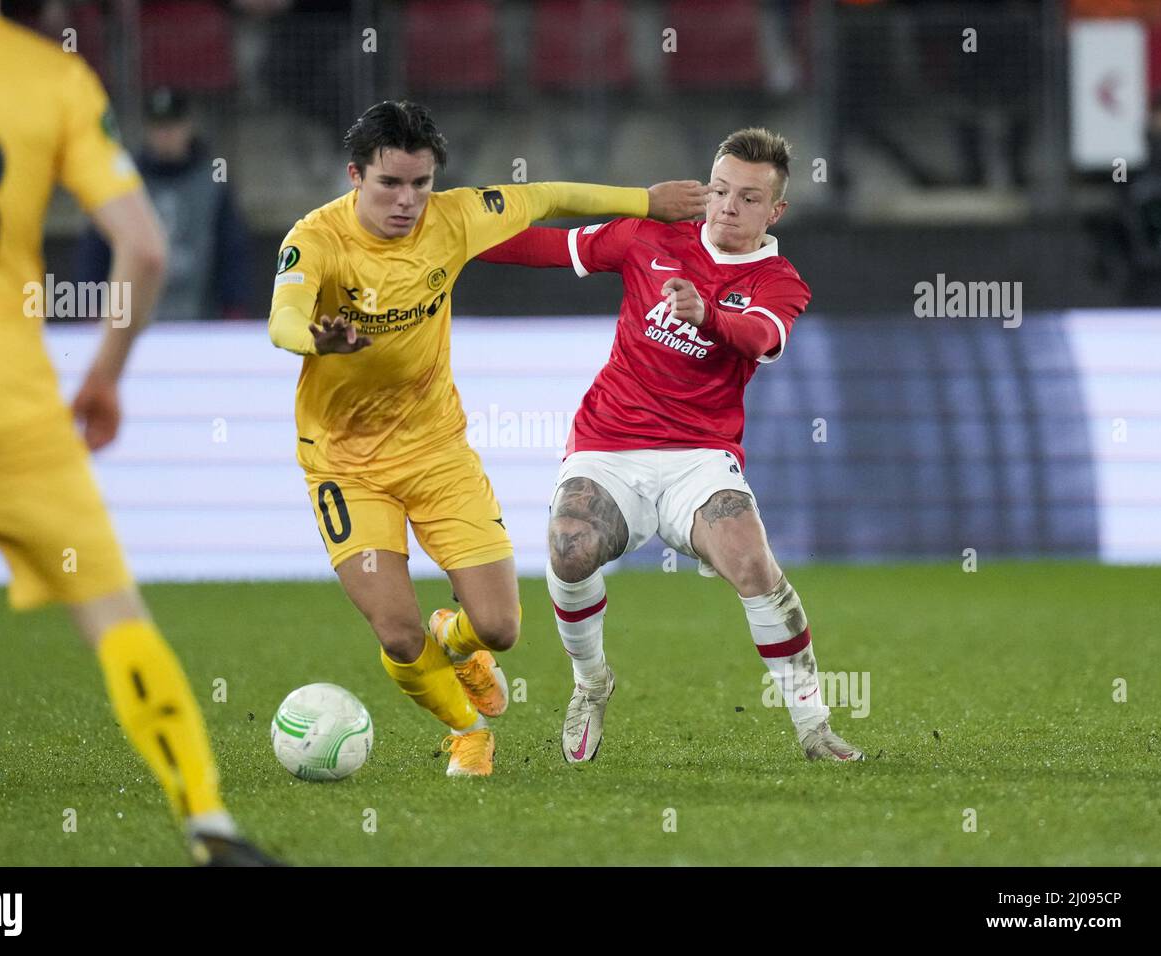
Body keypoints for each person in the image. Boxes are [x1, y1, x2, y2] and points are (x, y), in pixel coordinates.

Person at [0, 0, 276, 865]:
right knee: (114, 616)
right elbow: (145, 248)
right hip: (5, 410)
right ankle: (209, 825)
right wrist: (104, 377)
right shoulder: (48, 75)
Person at [267, 99, 707, 777]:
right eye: (390, 183)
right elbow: (283, 317)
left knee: (499, 628)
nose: (408, 200)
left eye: (420, 183)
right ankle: (468, 733)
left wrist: (645, 201)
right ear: (355, 175)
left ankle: (459, 638)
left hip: (436, 450)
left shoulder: (456, 216)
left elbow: (551, 195)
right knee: (396, 629)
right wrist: (315, 339)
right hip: (346, 464)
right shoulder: (316, 238)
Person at [476, 128, 867, 764]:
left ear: (776, 211)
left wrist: (705, 315)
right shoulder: (649, 235)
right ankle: (591, 682)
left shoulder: (779, 280)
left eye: (747, 197)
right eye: (719, 190)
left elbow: (759, 337)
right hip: (610, 443)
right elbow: (544, 247)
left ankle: (814, 725)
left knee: (752, 565)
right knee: (568, 547)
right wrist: (454, 237)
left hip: (700, 457)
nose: (727, 207)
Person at [75, 86, 254, 322]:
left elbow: (233, 253)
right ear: (147, 130)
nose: (166, 135)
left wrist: (235, 311)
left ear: (188, 126)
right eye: (159, 127)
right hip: (131, 326)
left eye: (173, 125)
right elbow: (97, 249)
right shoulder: (123, 181)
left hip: (200, 325)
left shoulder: (213, 182)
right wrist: (90, 308)